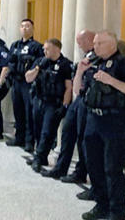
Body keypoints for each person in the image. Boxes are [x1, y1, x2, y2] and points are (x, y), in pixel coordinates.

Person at [79, 31, 125, 220]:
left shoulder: (123, 63)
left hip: (115, 121)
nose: (95, 46)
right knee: (94, 164)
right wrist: (80, 72)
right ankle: (101, 203)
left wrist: (110, 81)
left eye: (99, 43)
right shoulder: (94, 62)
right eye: (95, 43)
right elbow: (77, 91)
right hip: (93, 119)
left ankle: (117, 213)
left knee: (112, 167)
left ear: (111, 44)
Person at [41, 30, 95, 182]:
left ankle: (80, 172)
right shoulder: (87, 57)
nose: (78, 45)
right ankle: (60, 168)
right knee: (67, 132)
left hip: (88, 100)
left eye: (81, 41)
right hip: (79, 98)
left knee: (82, 138)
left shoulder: (97, 58)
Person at [24, 38, 73, 173]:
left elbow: (68, 87)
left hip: (53, 103)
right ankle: (41, 156)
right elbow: (28, 78)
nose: (44, 51)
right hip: (39, 100)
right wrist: (38, 68)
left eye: (47, 49)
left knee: (47, 131)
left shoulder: (65, 64)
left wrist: (65, 105)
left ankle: (39, 158)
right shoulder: (40, 61)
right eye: (44, 48)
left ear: (57, 49)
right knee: (38, 129)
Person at [6, 19, 44, 153]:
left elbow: (40, 65)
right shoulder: (15, 45)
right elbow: (10, 62)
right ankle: (19, 137)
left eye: (28, 26)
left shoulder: (37, 46)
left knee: (29, 112)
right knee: (18, 110)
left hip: (28, 84)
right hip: (16, 82)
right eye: (22, 26)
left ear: (33, 28)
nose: (25, 29)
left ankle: (29, 141)